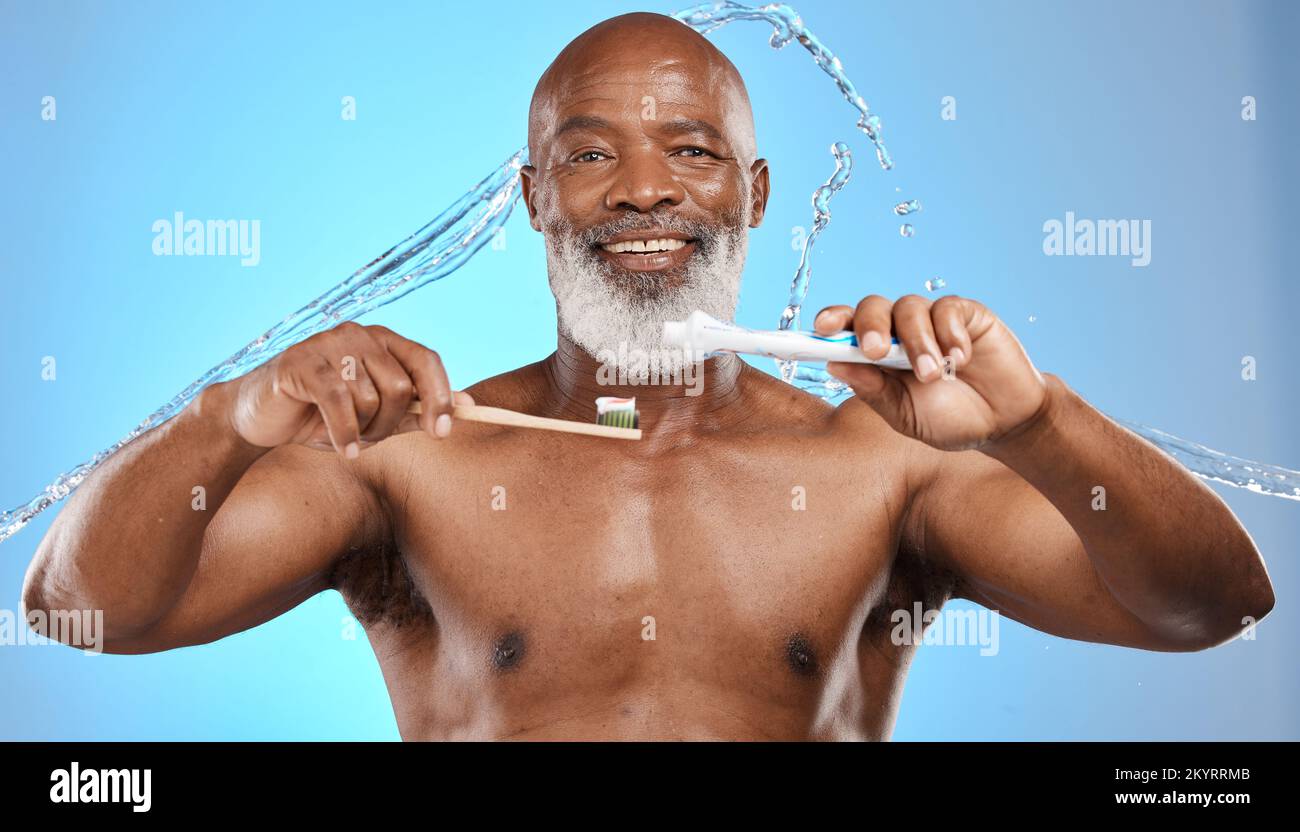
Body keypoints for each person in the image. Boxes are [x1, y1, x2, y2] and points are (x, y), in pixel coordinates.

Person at [23, 12, 1274, 740]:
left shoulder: (877, 468)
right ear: (530, 199)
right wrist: (226, 419)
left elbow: (1213, 608)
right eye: (586, 155)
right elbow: (83, 611)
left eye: (691, 149)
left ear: (755, 194)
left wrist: (1040, 424)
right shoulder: (416, 455)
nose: (642, 191)